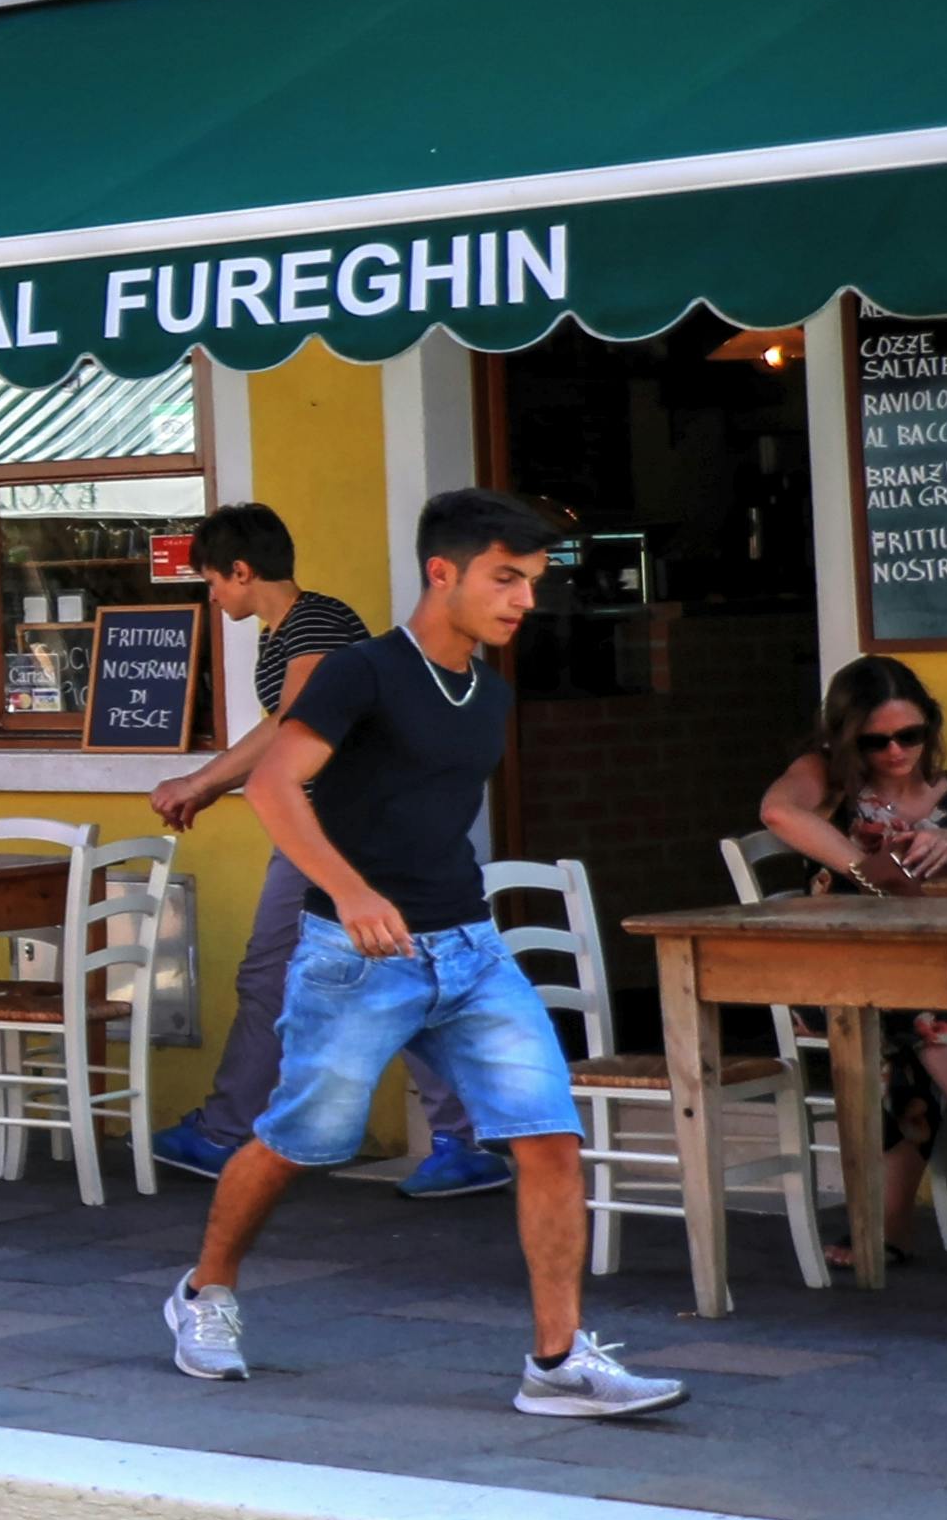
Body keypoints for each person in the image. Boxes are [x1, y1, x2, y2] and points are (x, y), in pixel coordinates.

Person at [163, 489, 682, 1420]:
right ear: (442, 573)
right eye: (506, 578)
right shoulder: (359, 673)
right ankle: (205, 1291)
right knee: (299, 1142)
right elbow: (275, 786)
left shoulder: (490, 692)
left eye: (533, 582)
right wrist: (352, 891)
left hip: (470, 950)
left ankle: (557, 1362)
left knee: (549, 1137)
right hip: (355, 957)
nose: (524, 600)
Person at [146, 506, 383, 1182]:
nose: (212, 597)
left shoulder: (317, 623)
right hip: (331, 820)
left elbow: (292, 722)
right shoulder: (286, 631)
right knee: (391, 972)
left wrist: (199, 781)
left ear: (242, 571)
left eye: (212, 582)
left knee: (274, 974)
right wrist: (212, 786)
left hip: (332, 824)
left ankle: (228, 1131)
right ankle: (460, 1138)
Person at [755, 654, 947, 1152]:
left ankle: (884, 1217)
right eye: (876, 741)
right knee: (922, 1014)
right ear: (846, 738)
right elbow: (776, 812)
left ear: (929, 725)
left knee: (911, 1039)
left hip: (944, 972)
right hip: (841, 975)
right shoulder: (826, 779)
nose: (896, 750)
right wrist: (870, 871)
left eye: (909, 735)